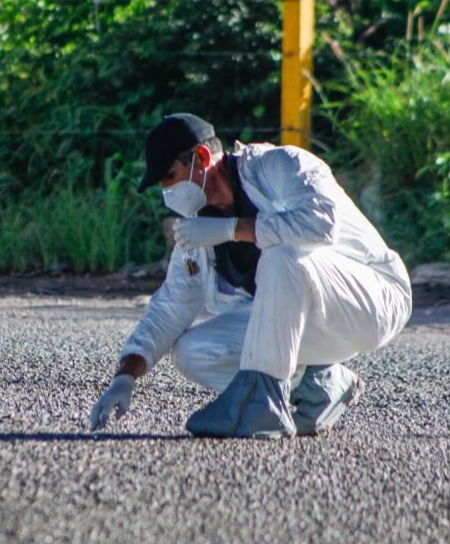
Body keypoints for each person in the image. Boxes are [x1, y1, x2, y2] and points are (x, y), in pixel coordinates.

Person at [88, 113, 412, 439]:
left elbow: (321, 224)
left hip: (375, 299)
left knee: (281, 255)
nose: (167, 191)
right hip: (315, 329)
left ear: (201, 157)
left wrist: (233, 229)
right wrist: (125, 376)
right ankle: (319, 384)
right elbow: (171, 306)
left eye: (169, 176)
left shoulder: (280, 165)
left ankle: (265, 405)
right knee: (193, 352)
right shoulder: (199, 228)